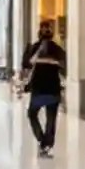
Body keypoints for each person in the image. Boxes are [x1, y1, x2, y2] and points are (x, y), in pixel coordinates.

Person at [21, 21, 67, 158]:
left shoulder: (34, 48)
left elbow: (25, 65)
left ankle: (42, 140)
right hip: (53, 89)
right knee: (51, 118)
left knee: (32, 114)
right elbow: (65, 68)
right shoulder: (58, 50)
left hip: (38, 89)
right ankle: (47, 145)